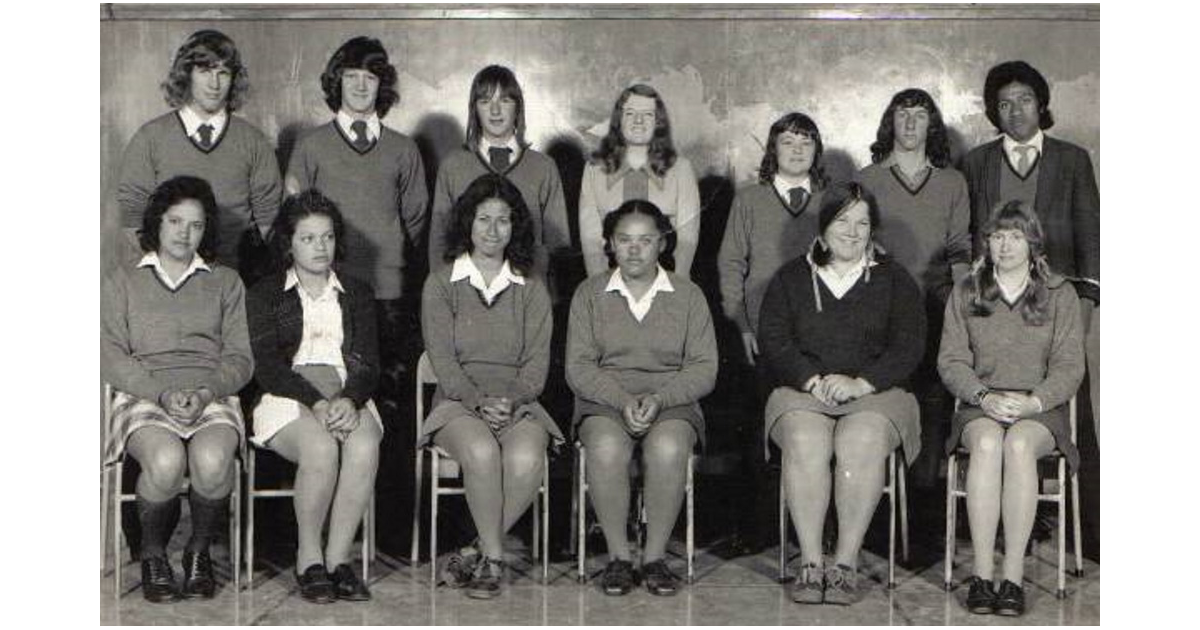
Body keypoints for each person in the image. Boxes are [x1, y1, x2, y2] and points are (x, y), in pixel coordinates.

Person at [758, 181, 926, 606]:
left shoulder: (894, 279)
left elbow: (910, 345)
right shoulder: (792, 277)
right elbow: (774, 339)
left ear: (873, 230)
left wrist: (861, 383)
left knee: (860, 439)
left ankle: (845, 564)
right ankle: (812, 565)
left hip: (878, 392)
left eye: (862, 223)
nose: (851, 232)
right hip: (805, 390)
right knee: (806, 438)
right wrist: (813, 380)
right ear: (824, 224)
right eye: (842, 220)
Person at [101, 175, 254, 602]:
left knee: (210, 460)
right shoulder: (122, 281)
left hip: (210, 393)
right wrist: (162, 394)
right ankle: (153, 555)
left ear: (207, 230)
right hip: (144, 395)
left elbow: (241, 357)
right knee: (166, 461)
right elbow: (111, 357)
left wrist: (205, 393)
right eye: (175, 222)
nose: (185, 234)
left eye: (196, 225)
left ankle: (198, 552)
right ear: (157, 223)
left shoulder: (225, 282)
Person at [938, 200, 1084, 617]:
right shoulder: (967, 289)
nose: (1005, 245)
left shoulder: (1060, 293)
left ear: (1033, 243)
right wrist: (983, 396)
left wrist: (1033, 401)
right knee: (985, 444)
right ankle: (983, 577)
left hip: (1039, 407)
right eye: (998, 236)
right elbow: (950, 360)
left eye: (1016, 236)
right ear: (987, 243)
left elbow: (1070, 366)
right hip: (980, 403)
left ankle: (1013, 578)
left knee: (1019, 446)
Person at [566, 200, 718, 597]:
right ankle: (618, 557)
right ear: (610, 245)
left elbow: (704, 367)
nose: (634, 250)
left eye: (645, 240)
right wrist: (620, 401)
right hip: (605, 400)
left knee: (667, 447)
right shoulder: (588, 294)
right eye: (624, 240)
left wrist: (660, 399)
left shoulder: (688, 296)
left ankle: (653, 559)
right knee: (605, 446)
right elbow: (579, 367)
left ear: (663, 245)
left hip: (672, 401)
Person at [421, 174, 562, 600]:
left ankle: (477, 550)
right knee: (481, 451)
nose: (493, 230)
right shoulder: (441, 284)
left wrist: (511, 399)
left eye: (504, 220)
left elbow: (536, 365)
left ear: (515, 227)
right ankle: (495, 562)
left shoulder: (532, 287)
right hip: (458, 402)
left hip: (519, 401)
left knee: (526, 456)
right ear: (467, 223)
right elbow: (443, 362)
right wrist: (478, 400)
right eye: (484, 219)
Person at [246, 190, 382, 604]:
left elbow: (369, 363)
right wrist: (317, 402)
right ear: (288, 243)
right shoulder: (266, 293)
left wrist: (349, 399)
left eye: (327, 237)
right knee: (321, 449)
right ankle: (309, 559)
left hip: (344, 393)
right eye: (308, 238)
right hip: (287, 394)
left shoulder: (356, 291)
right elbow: (267, 366)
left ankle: (339, 561)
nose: (320, 247)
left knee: (364, 444)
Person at [285, 36, 428, 405]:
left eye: (371, 77)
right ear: (337, 82)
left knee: (384, 396)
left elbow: (415, 218)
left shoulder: (404, 149)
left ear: (382, 85)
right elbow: (295, 220)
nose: (361, 85)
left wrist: (386, 254)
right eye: (352, 76)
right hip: (327, 289)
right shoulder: (310, 146)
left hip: (386, 292)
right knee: (332, 393)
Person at [961, 60, 1099, 440]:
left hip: (1056, 303)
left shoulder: (1072, 160)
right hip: (995, 300)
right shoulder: (976, 163)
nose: (1016, 110)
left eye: (1024, 100)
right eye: (1005, 104)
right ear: (994, 112)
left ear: (1041, 105)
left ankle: (1067, 484)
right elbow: (969, 233)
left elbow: (1090, 233)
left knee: (1059, 393)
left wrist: (1085, 301)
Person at [717, 112, 828, 552]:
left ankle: (817, 530)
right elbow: (730, 265)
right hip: (761, 332)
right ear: (772, 151)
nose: (797, 150)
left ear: (817, 151)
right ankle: (757, 530)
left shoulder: (831, 201)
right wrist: (742, 322)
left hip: (817, 336)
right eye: (787, 142)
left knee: (814, 427)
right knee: (758, 432)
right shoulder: (750, 200)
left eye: (805, 142)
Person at [854, 88, 972, 488]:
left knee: (933, 398)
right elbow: (855, 243)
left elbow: (960, 248)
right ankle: (881, 504)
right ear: (891, 122)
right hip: (883, 305)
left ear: (931, 126)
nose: (910, 122)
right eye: (902, 114)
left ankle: (922, 503)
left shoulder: (952, 181)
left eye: (920, 115)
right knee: (883, 394)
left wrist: (961, 307)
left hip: (936, 304)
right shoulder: (868, 179)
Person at [117, 29, 281, 277]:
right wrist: (171, 271)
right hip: (168, 281)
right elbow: (132, 217)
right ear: (187, 75)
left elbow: (269, 218)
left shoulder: (254, 141)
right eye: (205, 71)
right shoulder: (150, 138)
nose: (214, 84)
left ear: (233, 79)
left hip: (237, 280)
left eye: (223, 73)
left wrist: (240, 275)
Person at [426, 65, 569, 290]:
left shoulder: (543, 167)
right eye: (485, 101)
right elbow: (438, 243)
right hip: (467, 297)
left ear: (518, 108)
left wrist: (545, 297)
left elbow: (558, 244)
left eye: (504, 100)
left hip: (528, 295)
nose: (495, 111)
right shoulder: (453, 166)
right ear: (474, 110)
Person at [579, 84, 701, 278]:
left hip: (666, 284)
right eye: (630, 113)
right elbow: (591, 242)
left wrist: (676, 291)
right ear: (619, 120)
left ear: (658, 122)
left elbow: (687, 242)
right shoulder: (595, 171)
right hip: (610, 284)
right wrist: (601, 293)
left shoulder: (681, 170)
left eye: (647, 114)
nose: (638, 121)